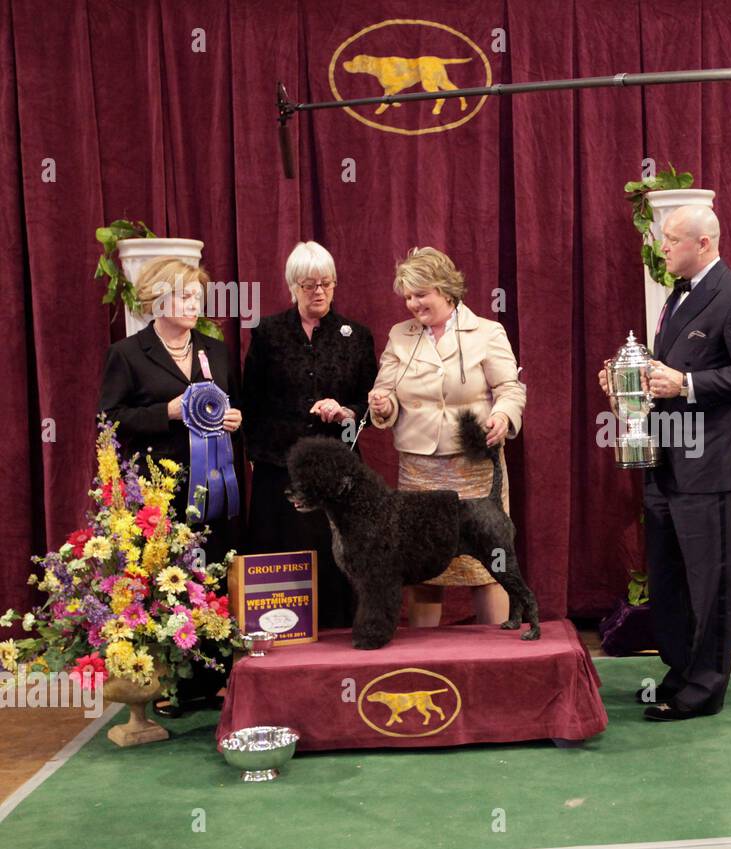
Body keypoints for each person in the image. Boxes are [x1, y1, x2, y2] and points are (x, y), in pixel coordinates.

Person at [599, 205, 731, 721]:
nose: (663, 248)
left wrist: (687, 383)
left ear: (703, 243)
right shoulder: (677, 298)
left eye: (672, 240)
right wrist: (628, 381)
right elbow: (663, 375)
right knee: (670, 580)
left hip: (710, 466)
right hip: (666, 461)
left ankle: (705, 689)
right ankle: (679, 673)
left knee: (710, 583)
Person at [98, 255, 242, 714]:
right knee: (172, 585)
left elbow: (228, 406)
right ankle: (174, 685)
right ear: (158, 300)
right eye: (183, 295)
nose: (193, 302)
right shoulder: (127, 353)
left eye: (197, 294)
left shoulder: (215, 349)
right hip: (159, 493)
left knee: (213, 577)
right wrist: (168, 412)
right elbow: (111, 422)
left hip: (216, 485)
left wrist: (235, 418)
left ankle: (215, 680)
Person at [367, 247, 525, 627]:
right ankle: (427, 663)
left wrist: (503, 414)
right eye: (407, 296)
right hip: (419, 470)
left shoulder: (487, 332)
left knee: (486, 566)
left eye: (420, 294)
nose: (412, 304)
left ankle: (495, 653)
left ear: (445, 290)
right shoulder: (399, 336)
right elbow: (385, 393)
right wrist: (382, 404)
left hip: (474, 467)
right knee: (424, 570)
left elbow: (510, 388)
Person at [241, 241, 377, 629]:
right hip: (278, 466)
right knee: (281, 552)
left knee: (336, 554)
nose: (318, 292)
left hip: (337, 468)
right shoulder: (267, 333)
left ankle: (339, 633)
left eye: (326, 283)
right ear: (291, 286)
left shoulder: (357, 335)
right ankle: (278, 633)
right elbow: (252, 400)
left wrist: (346, 411)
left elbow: (369, 401)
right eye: (308, 284)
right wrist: (255, 453)